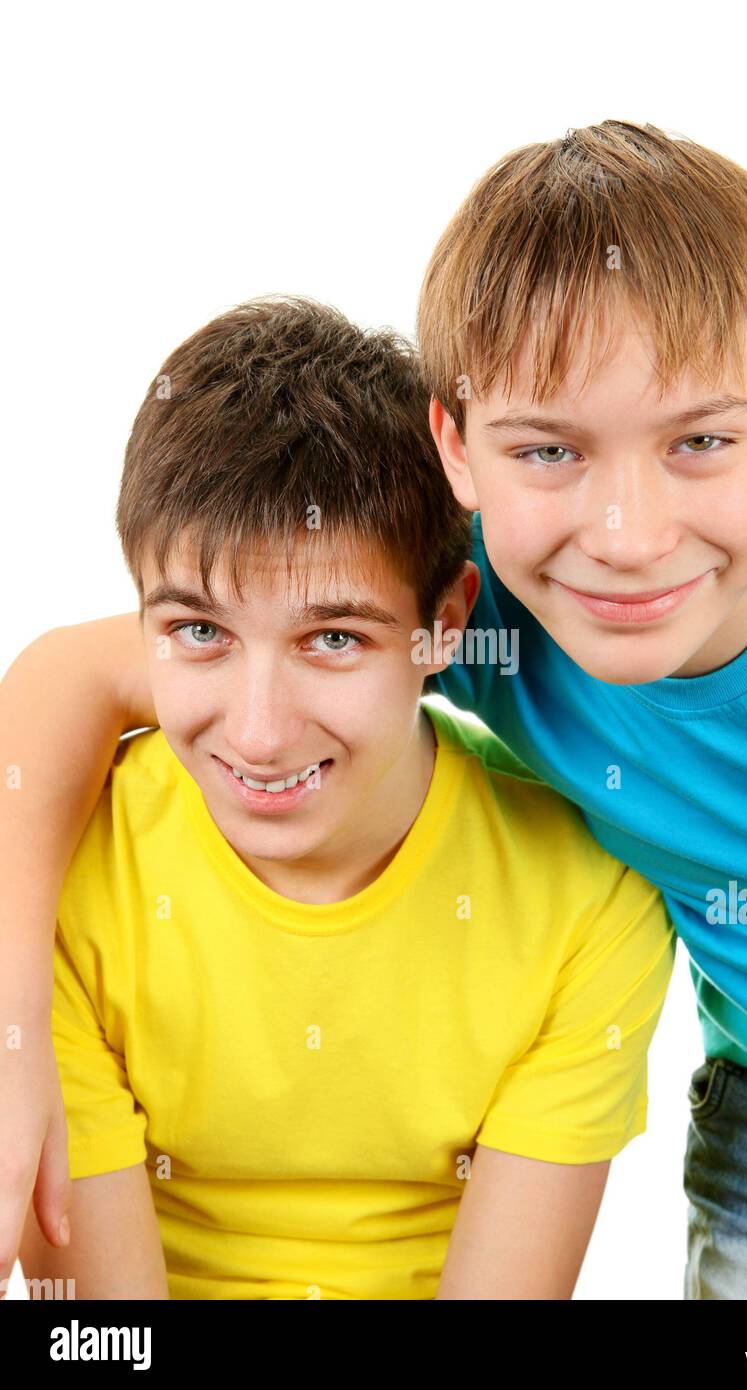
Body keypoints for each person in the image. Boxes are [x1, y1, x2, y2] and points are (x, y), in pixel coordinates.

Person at [6, 295, 673, 1300]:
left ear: (443, 624)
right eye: (199, 633)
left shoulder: (590, 896)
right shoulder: (56, 871)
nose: (260, 731)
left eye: (333, 640)